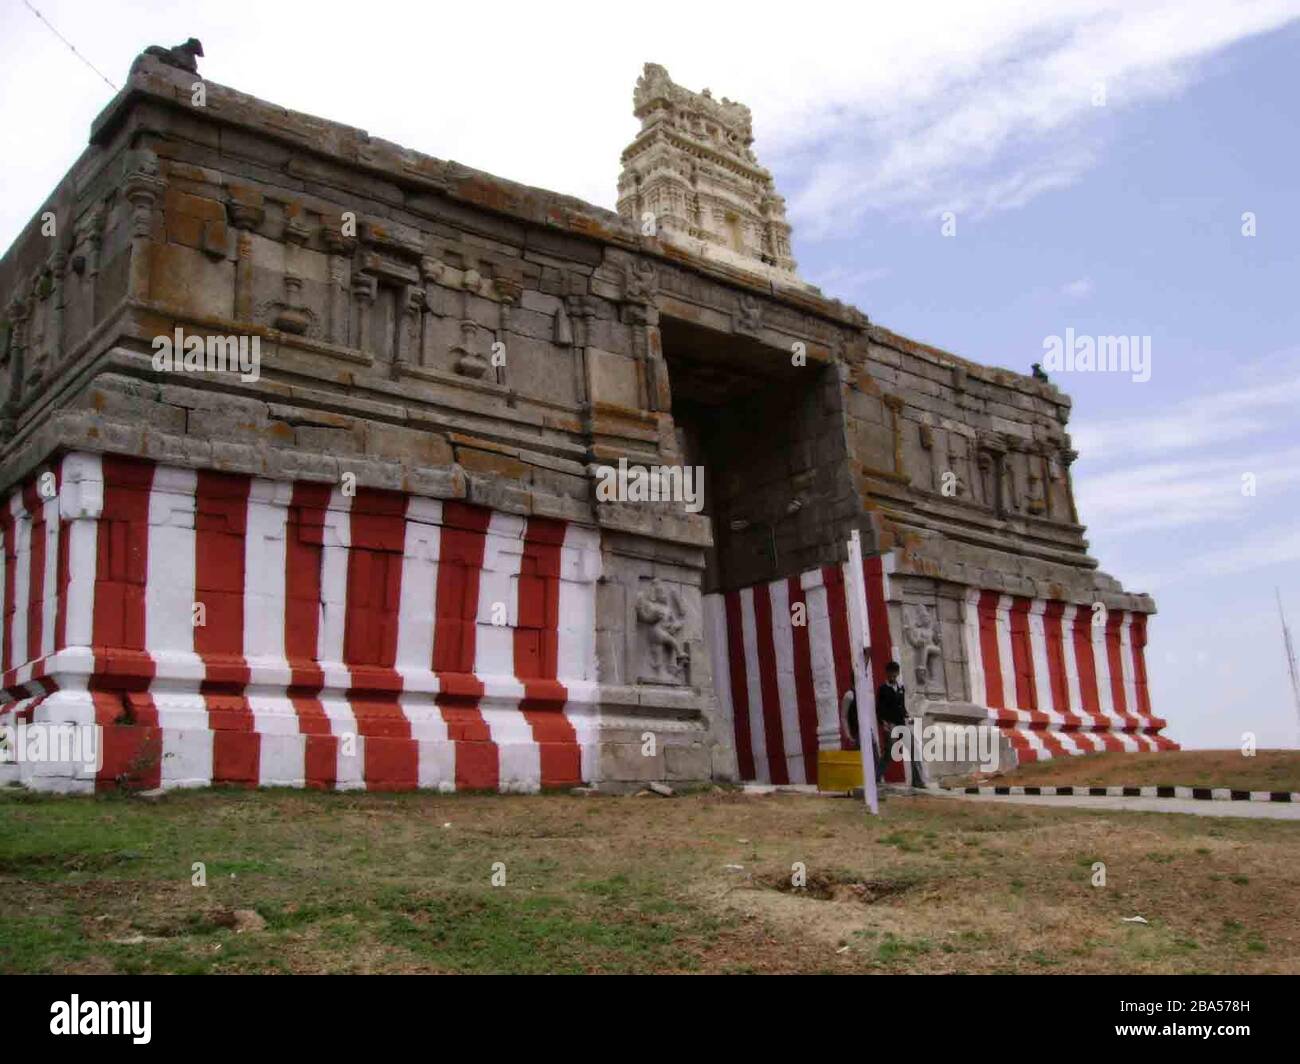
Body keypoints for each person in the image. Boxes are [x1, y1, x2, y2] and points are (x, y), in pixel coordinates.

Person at [876, 660, 919, 787]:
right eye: (891, 674)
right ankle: (876, 777)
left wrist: (908, 716)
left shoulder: (901, 688)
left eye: (895, 674)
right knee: (889, 753)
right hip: (890, 724)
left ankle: (918, 781)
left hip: (901, 724)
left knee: (913, 749)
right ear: (887, 673)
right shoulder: (883, 689)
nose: (893, 677)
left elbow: (902, 707)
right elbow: (879, 709)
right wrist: (883, 723)